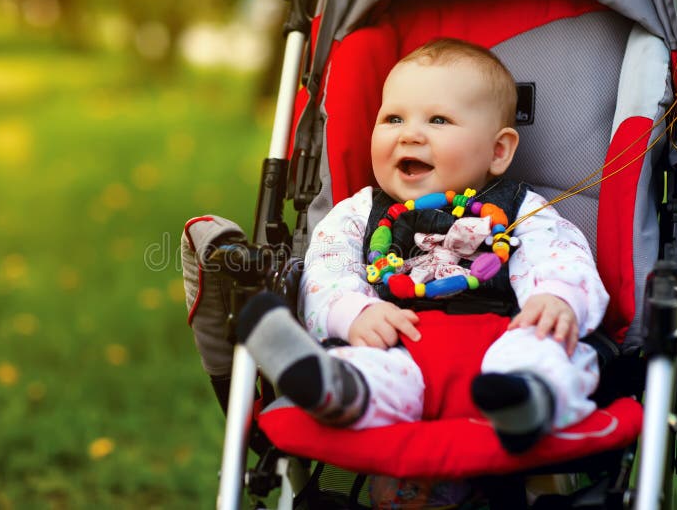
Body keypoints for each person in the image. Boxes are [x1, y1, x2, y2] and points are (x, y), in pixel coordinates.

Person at [236, 38, 608, 456]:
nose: (410, 134)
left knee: (547, 349)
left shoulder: (519, 208)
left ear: (498, 150)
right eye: (393, 118)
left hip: (500, 341)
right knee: (368, 366)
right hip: (396, 344)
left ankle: (527, 401)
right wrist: (354, 312)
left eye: (438, 120)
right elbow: (327, 267)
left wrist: (556, 298)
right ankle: (335, 389)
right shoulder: (359, 213)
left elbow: (558, 253)